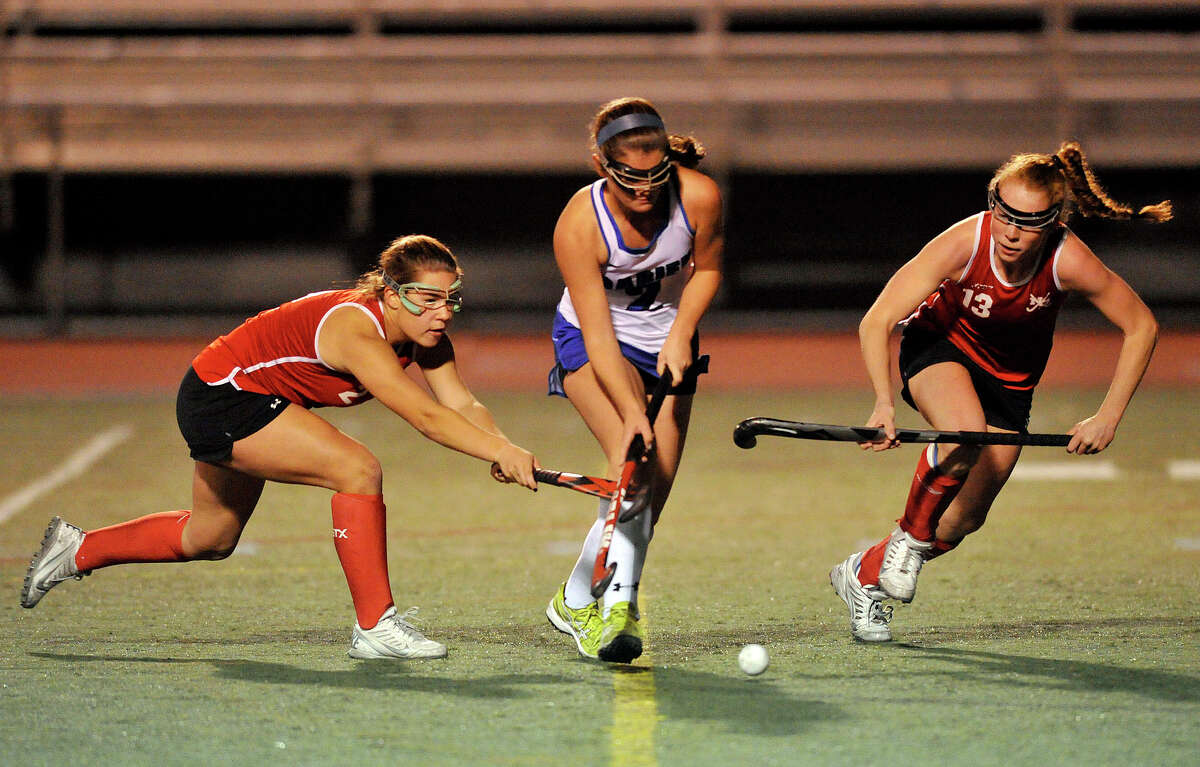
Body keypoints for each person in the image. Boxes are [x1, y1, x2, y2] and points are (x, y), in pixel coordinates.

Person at [21, 234, 540, 659]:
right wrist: (495, 453)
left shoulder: (427, 338)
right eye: (426, 299)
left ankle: (77, 549)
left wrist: (501, 445)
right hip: (223, 397)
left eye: (449, 299)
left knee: (211, 537)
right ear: (389, 294)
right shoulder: (358, 332)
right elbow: (426, 417)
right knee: (357, 469)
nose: (441, 312)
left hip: (250, 397)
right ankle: (375, 627)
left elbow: (461, 404)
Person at [830, 141, 1170, 642]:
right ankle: (908, 542)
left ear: (1054, 221)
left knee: (962, 520)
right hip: (938, 348)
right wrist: (883, 401)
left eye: (1030, 221)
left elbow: (1141, 326)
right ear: (994, 203)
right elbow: (877, 320)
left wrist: (1108, 416)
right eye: (1006, 215)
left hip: (1011, 383)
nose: (1013, 232)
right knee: (963, 432)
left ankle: (864, 574)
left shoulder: (1069, 260)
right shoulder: (963, 243)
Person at [544, 97, 724, 662]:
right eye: (629, 177)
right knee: (635, 464)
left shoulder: (699, 196)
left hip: (668, 339)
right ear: (602, 165)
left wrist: (681, 334)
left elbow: (709, 269)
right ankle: (619, 607)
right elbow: (599, 335)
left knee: (654, 488)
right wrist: (630, 413)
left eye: (656, 175)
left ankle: (574, 596)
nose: (645, 189)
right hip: (593, 340)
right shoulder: (579, 224)